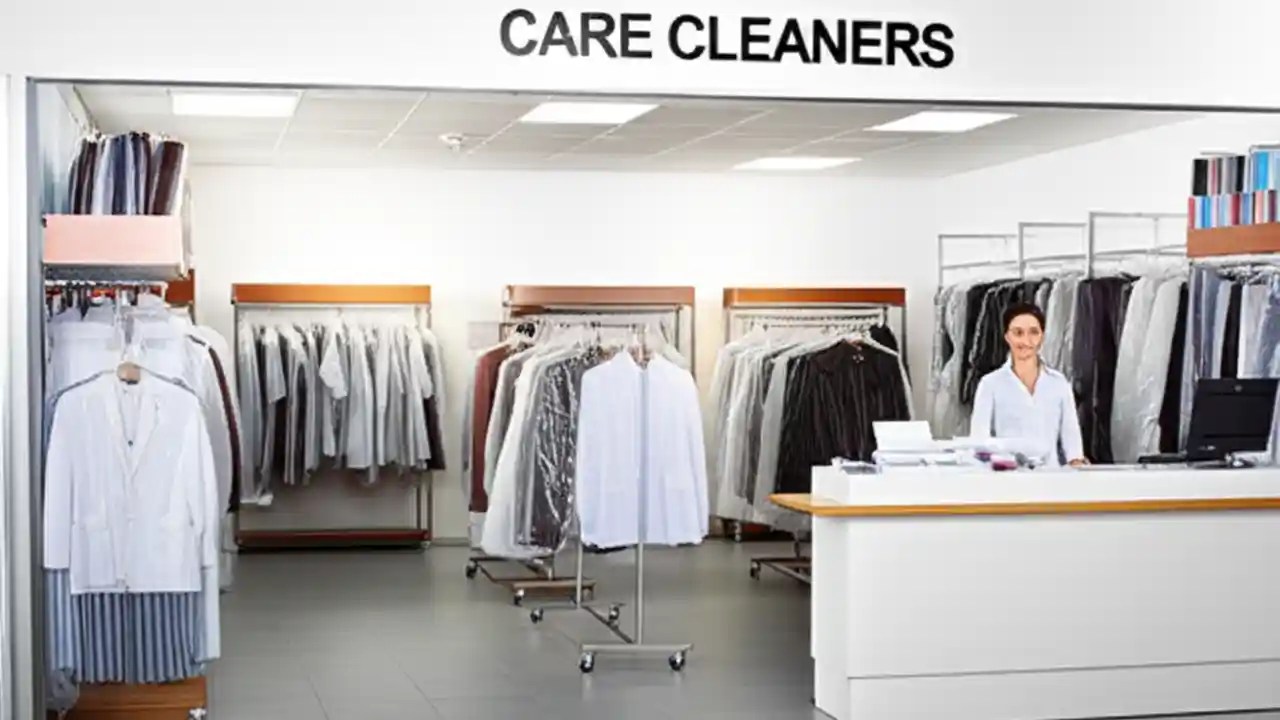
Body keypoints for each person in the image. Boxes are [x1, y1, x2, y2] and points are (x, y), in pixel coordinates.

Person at [970, 302, 1088, 467]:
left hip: (1051, 480)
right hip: (1007, 480)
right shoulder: (990, 384)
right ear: (1007, 336)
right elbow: (979, 441)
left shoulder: (1059, 383)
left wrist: (1077, 467)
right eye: (1018, 333)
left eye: (1033, 332)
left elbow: (1071, 436)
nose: (1026, 340)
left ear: (1042, 336)